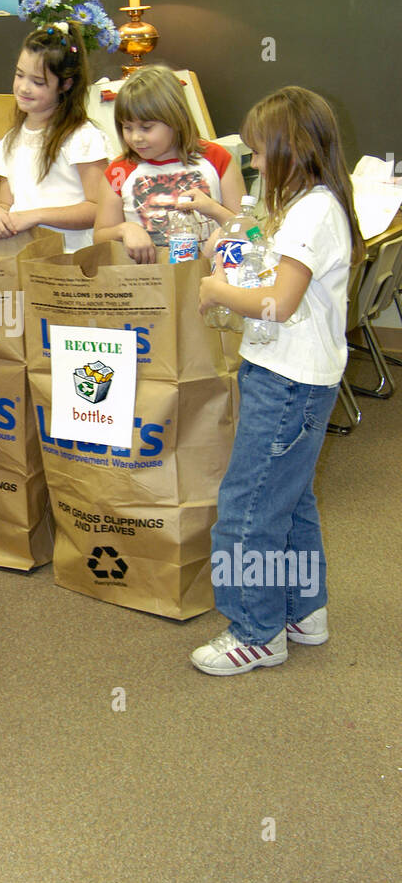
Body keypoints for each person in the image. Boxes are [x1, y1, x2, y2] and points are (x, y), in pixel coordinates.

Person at [190, 86, 365, 676]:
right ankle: (301, 610)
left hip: (286, 380)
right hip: (302, 378)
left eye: (261, 154)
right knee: (290, 502)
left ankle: (257, 629)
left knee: (247, 507)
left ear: (292, 150)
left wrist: (218, 292)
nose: (254, 164)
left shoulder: (313, 210)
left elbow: (280, 304)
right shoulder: (313, 203)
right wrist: (222, 219)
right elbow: (273, 254)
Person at [93, 64, 246, 263]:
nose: (136, 137)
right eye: (127, 127)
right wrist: (125, 229)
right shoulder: (118, 171)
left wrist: (215, 211)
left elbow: (249, 231)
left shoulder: (217, 158)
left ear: (176, 120)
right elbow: (100, 237)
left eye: (146, 127)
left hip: (214, 278)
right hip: (149, 284)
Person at [0, 21, 108, 252]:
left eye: (37, 82)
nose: (23, 88)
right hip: (25, 258)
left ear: (66, 84)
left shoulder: (82, 138)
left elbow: (99, 208)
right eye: (20, 75)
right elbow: (6, 203)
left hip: (73, 262)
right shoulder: (8, 143)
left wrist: (36, 216)